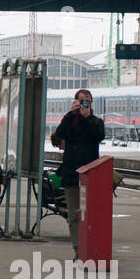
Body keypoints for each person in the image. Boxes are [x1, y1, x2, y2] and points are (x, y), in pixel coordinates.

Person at [50, 88, 105, 256]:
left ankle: (90, 247)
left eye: (87, 101)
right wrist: (69, 114)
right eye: (81, 101)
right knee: (74, 214)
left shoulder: (95, 122)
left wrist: (87, 117)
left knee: (89, 214)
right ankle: (78, 249)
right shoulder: (69, 121)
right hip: (71, 174)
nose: (84, 104)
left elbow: (99, 136)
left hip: (90, 175)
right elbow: (58, 135)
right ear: (75, 102)